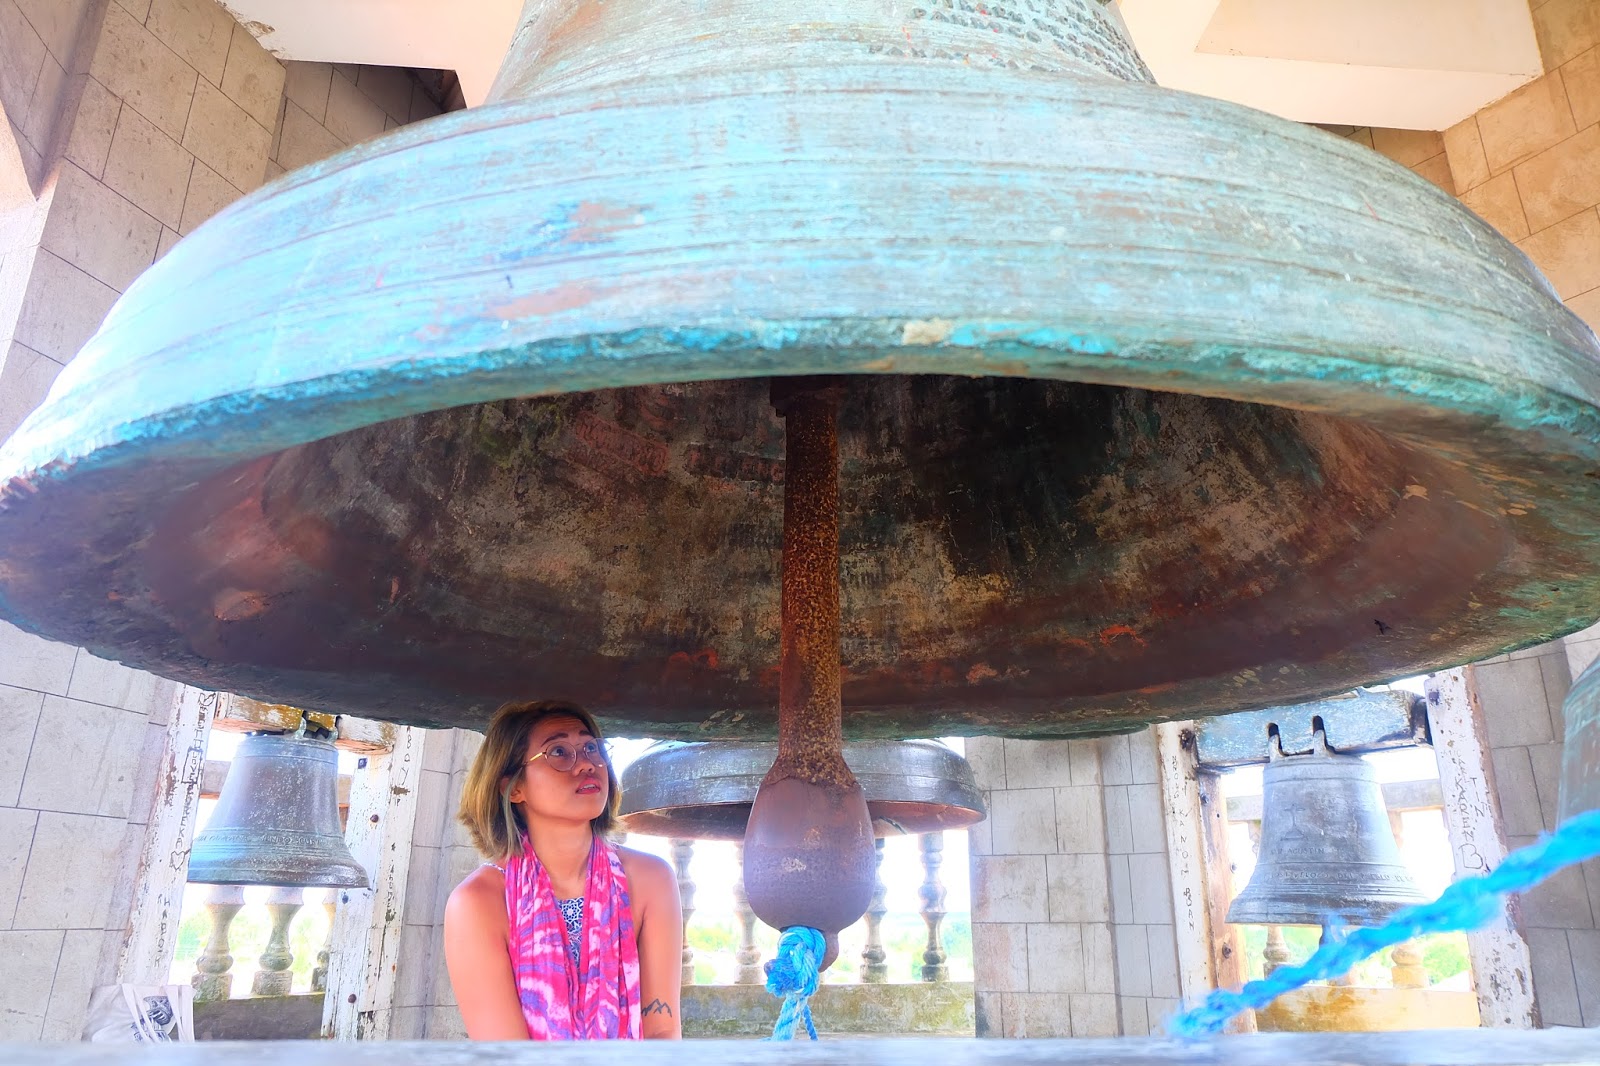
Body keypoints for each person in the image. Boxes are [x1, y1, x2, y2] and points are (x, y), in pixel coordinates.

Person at [445, 700, 682, 1039]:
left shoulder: (651, 879)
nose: (587, 763)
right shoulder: (477, 902)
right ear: (513, 787)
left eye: (591, 748)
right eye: (558, 752)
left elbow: (663, 1032)